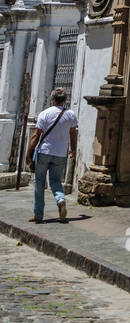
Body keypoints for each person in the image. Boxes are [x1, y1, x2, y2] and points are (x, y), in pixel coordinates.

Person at [27, 86, 78, 224]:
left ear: (53, 100)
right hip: (61, 154)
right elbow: (73, 134)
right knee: (55, 181)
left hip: (44, 152)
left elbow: (35, 136)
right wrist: (73, 149)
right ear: (65, 100)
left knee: (39, 183)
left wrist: (29, 153)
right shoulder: (71, 115)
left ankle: (38, 215)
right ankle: (61, 200)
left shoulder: (45, 114)